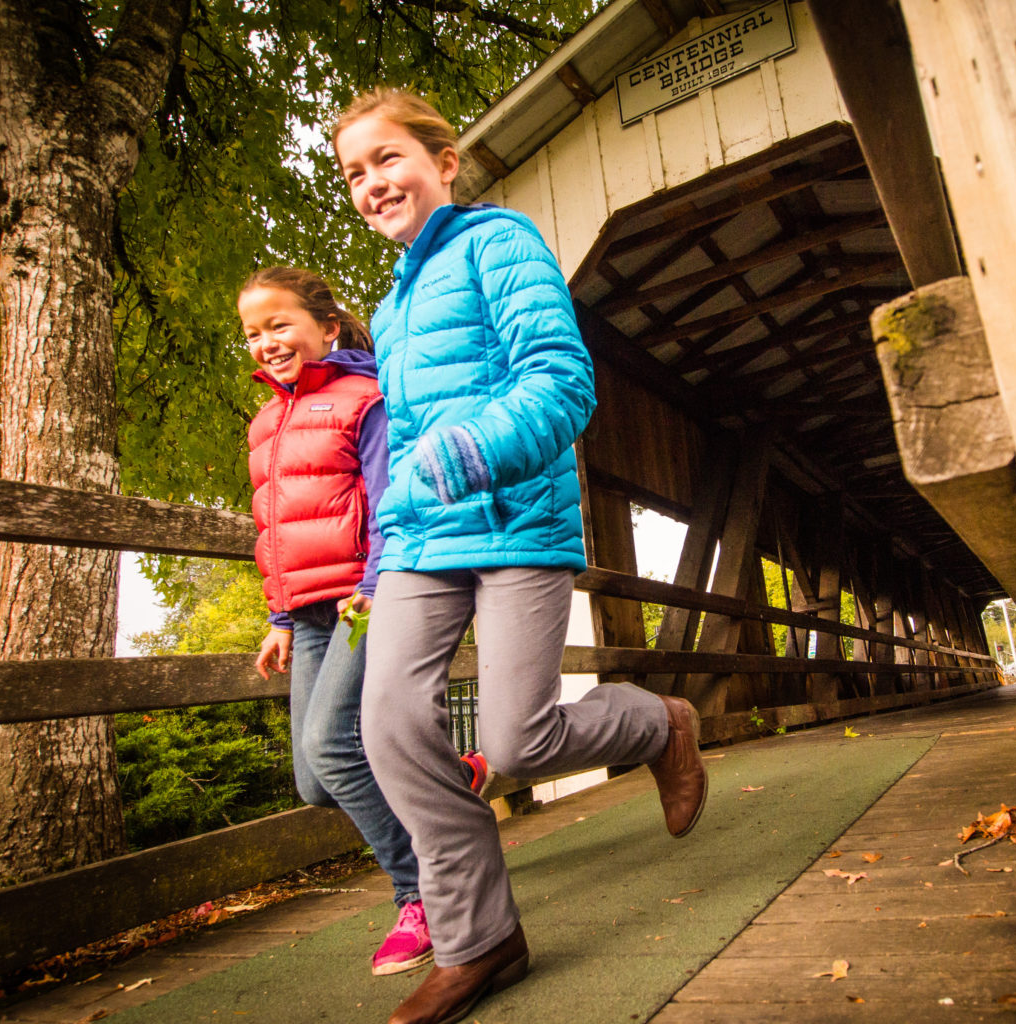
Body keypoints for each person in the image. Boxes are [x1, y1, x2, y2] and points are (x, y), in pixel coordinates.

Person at [332, 88, 709, 1024]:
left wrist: (464, 457)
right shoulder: (388, 310)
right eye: (353, 173)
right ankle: (480, 940)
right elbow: (399, 446)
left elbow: (561, 380)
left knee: (513, 742)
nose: (372, 183)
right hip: (423, 542)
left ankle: (658, 726)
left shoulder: (498, 242)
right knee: (388, 727)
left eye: (387, 158)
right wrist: (383, 553)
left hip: (515, 524)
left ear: (443, 162)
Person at [239, 267, 492, 978]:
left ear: (326, 327)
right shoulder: (265, 424)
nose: (267, 342)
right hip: (308, 618)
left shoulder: (364, 399)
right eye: (253, 333)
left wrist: (377, 585)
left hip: (361, 603)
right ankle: (451, 776)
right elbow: (276, 529)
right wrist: (279, 616)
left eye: (280, 324)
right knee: (314, 781)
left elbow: (388, 501)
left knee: (331, 745)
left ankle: (421, 894)